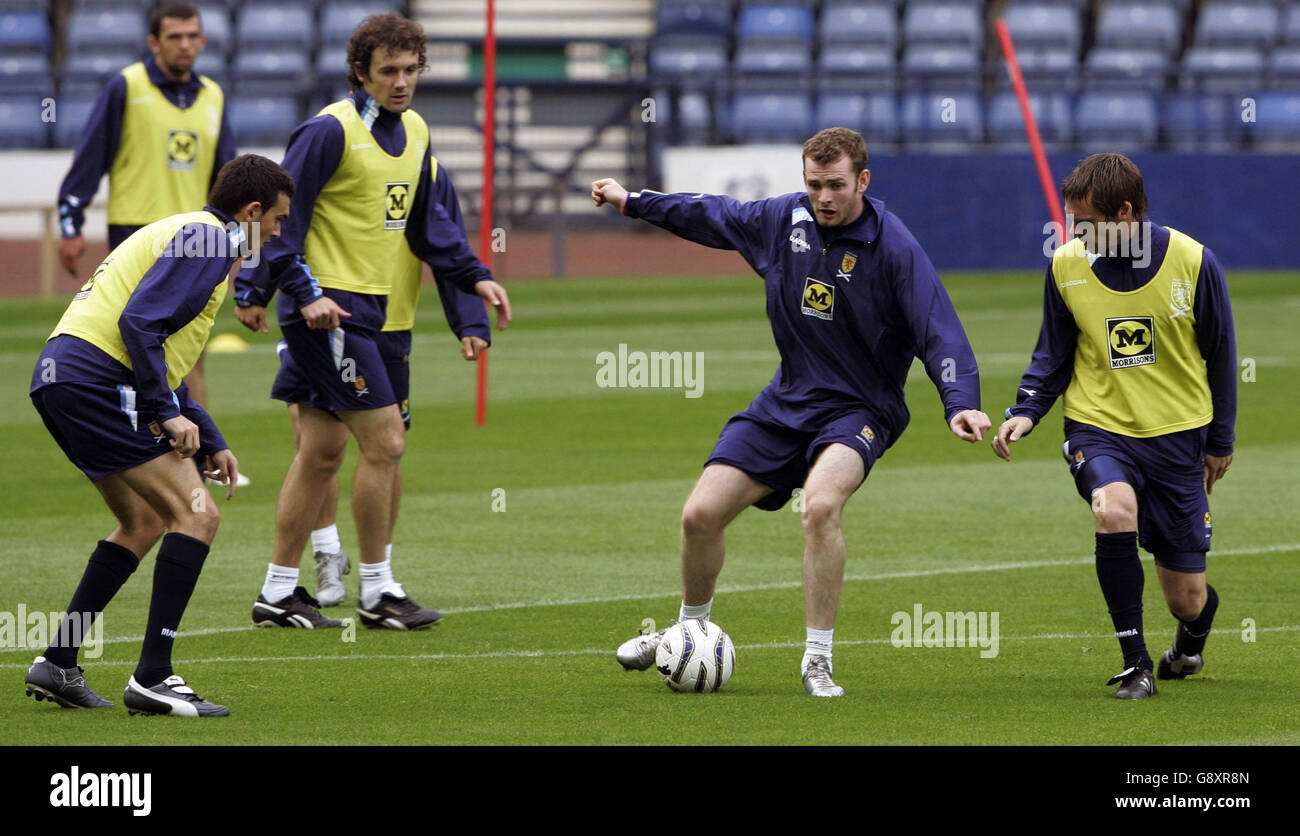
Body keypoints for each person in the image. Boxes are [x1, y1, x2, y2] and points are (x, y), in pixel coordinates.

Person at [594, 127, 991, 697]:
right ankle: (688, 633)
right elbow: (713, 214)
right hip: (787, 400)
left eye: (835, 186)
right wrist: (633, 201)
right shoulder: (785, 221)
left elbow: (939, 329)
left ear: (862, 180)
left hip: (860, 407)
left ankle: (817, 660)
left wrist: (961, 403)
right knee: (698, 516)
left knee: (821, 506)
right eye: (814, 185)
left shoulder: (893, 245)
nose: (824, 197)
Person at [232, 13, 509, 631]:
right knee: (386, 444)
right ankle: (379, 591)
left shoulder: (415, 131)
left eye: (412, 70)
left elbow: (430, 226)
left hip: (388, 315)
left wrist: (473, 278)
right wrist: (268, 289)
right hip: (330, 313)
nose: (403, 82)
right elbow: (280, 219)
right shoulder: (328, 132)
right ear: (361, 73)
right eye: (389, 71)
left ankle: (278, 593)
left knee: (324, 450)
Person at [25, 154, 293, 716]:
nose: (276, 232)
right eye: (276, 221)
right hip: (98, 381)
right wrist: (162, 413)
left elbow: (162, 358)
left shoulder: (189, 234)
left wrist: (210, 436)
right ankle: (153, 676)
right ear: (250, 211)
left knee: (143, 521)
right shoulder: (211, 241)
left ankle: (59, 660)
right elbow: (139, 324)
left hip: (61, 377)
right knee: (197, 514)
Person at [992, 152, 1236, 699]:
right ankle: (1136, 665)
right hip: (1098, 428)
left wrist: (1220, 440)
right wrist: (1025, 412)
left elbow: (1221, 355)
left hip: (1178, 437)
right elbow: (1051, 357)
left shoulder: (1194, 262)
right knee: (1113, 509)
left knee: (1187, 599)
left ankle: (1188, 645)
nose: (1072, 233)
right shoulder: (1065, 265)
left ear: (1125, 213)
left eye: (1085, 223)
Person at [56, 0, 243, 483]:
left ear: (203, 41)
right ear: (154, 42)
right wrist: (70, 223)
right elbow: (90, 155)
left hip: (202, 240)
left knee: (190, 348)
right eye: (175, 36)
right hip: (139, 234)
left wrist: (244, 248)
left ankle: (187, 449)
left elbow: (233, 181)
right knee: (139, 336)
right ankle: (143, 443)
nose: (186, 45)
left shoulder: (215, 96)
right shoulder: (127, 87)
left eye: (193, 36)